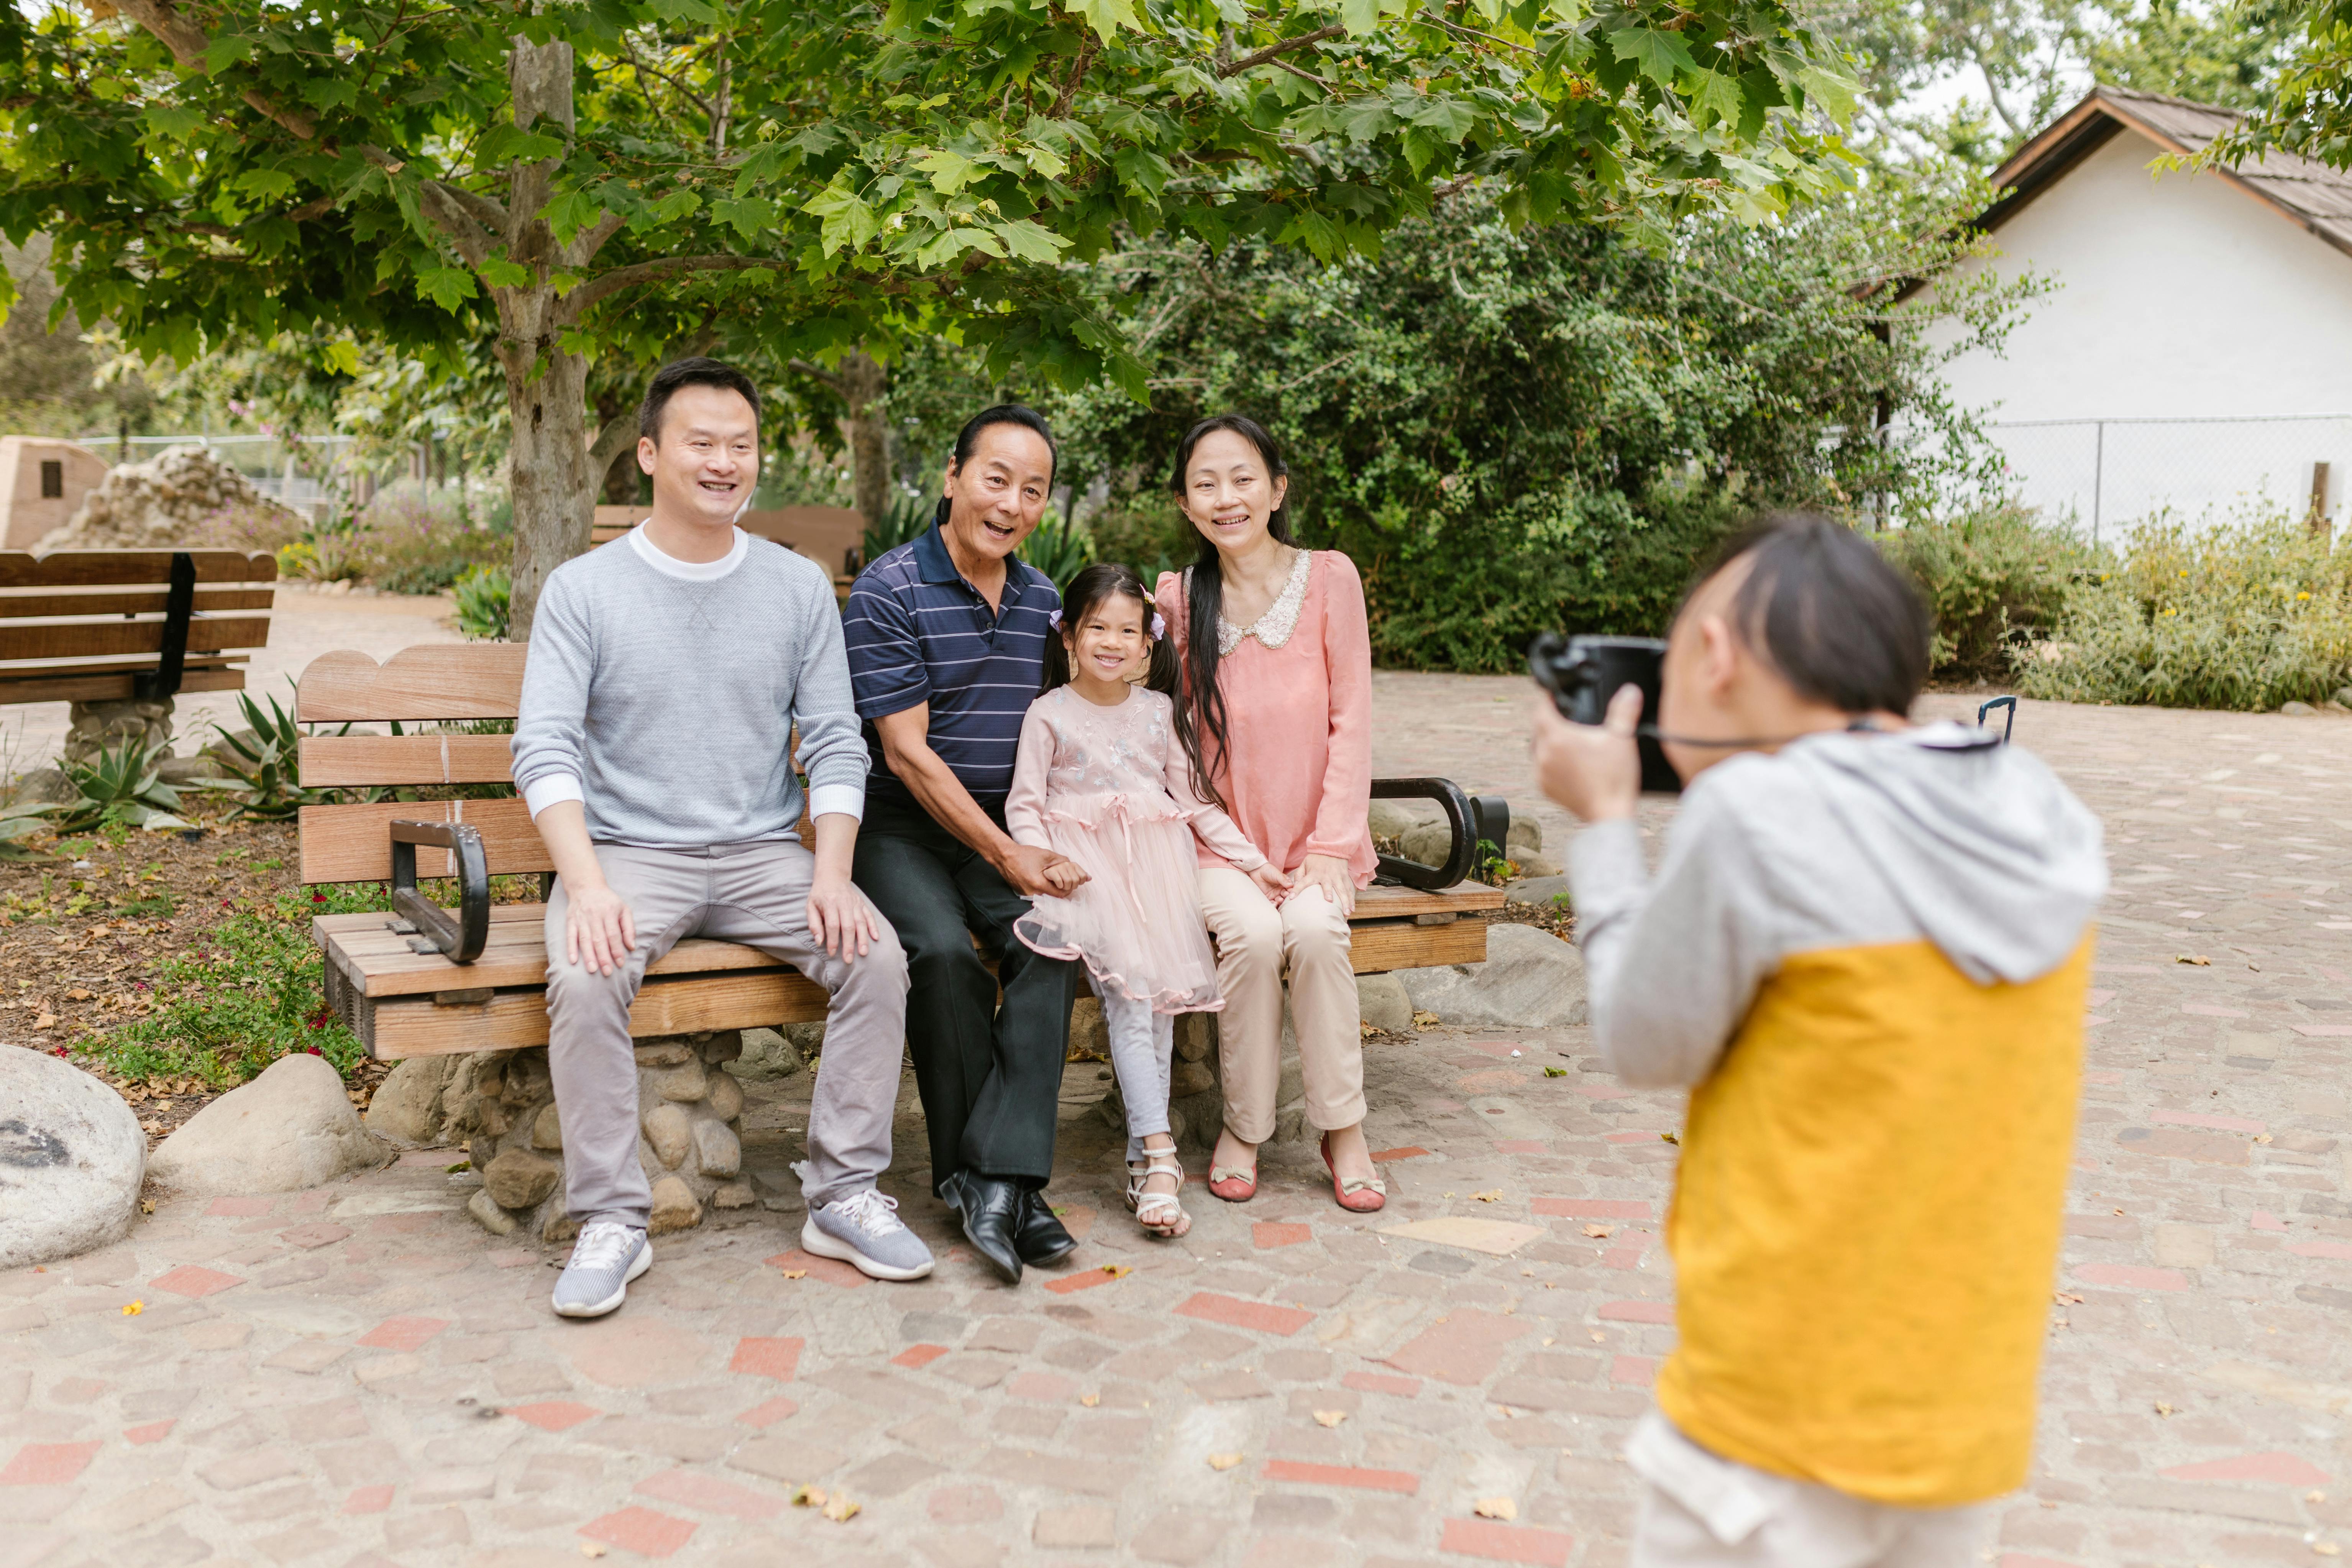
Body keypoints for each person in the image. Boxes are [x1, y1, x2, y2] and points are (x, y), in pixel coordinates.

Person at [1528, 514, 2107, 1567]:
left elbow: (1639, 1040)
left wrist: (1606, 824)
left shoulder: (1756, 812)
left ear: (1710, 656)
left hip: (1773, 1415)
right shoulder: (2035, 808)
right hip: (1960, 1423)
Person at [512, 358, 926, 1320]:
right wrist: (589, 884)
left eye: (741, 446)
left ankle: (842, 1195)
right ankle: (612, 1218)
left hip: (759, 854)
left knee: (877, 956)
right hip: (626, 855)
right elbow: (544, 748)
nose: (724, 462)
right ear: (650, 454)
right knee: (582, 973)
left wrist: (831, 874)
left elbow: (833, 742)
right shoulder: (585, 590)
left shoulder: (795, 587)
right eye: (702, 443)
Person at [841, 405, 1086, 1284]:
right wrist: (1009, 856)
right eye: (996, 479)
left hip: (1003, 824)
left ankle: (996, 1181)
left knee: (1051, 944)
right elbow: (907, 756)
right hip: (900, 827)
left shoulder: (1045, 600)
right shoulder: (889, 590)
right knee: (942, 954)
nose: (1012, 503)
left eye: (1034, 489)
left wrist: (1038, 844)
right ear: (952, 476)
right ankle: (979, 1179)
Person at [1005, 563, 1287, 1238]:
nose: (1111, 641)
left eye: (1126, 630)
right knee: (1133, 1002)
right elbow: (1025, 806)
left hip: (1155, 880)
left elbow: (1193, 804)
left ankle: (1144, 1158)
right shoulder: (1048, 714)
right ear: (1068, 635)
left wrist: (1254, 864)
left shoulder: (1159, 713)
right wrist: (1046, 864)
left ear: (1147, 645)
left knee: (1155, 1008)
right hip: (1086, 880)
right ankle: (1160, 1159)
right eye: (1096, 627)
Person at [1151, 415, 1382, 1212]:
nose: (1227, 498)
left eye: (1243, 479)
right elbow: (1159, 729)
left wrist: (1330, 845)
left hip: (1318, 841)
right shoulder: (1179, 600)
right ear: (1184, 503)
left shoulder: (1331, 579)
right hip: (1220, 846)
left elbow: (1352, 719)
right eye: (1206, 484)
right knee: (1250, 936)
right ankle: (1244, 1127)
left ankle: (1342, 1127)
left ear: (1277, 489)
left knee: (1316, 933)